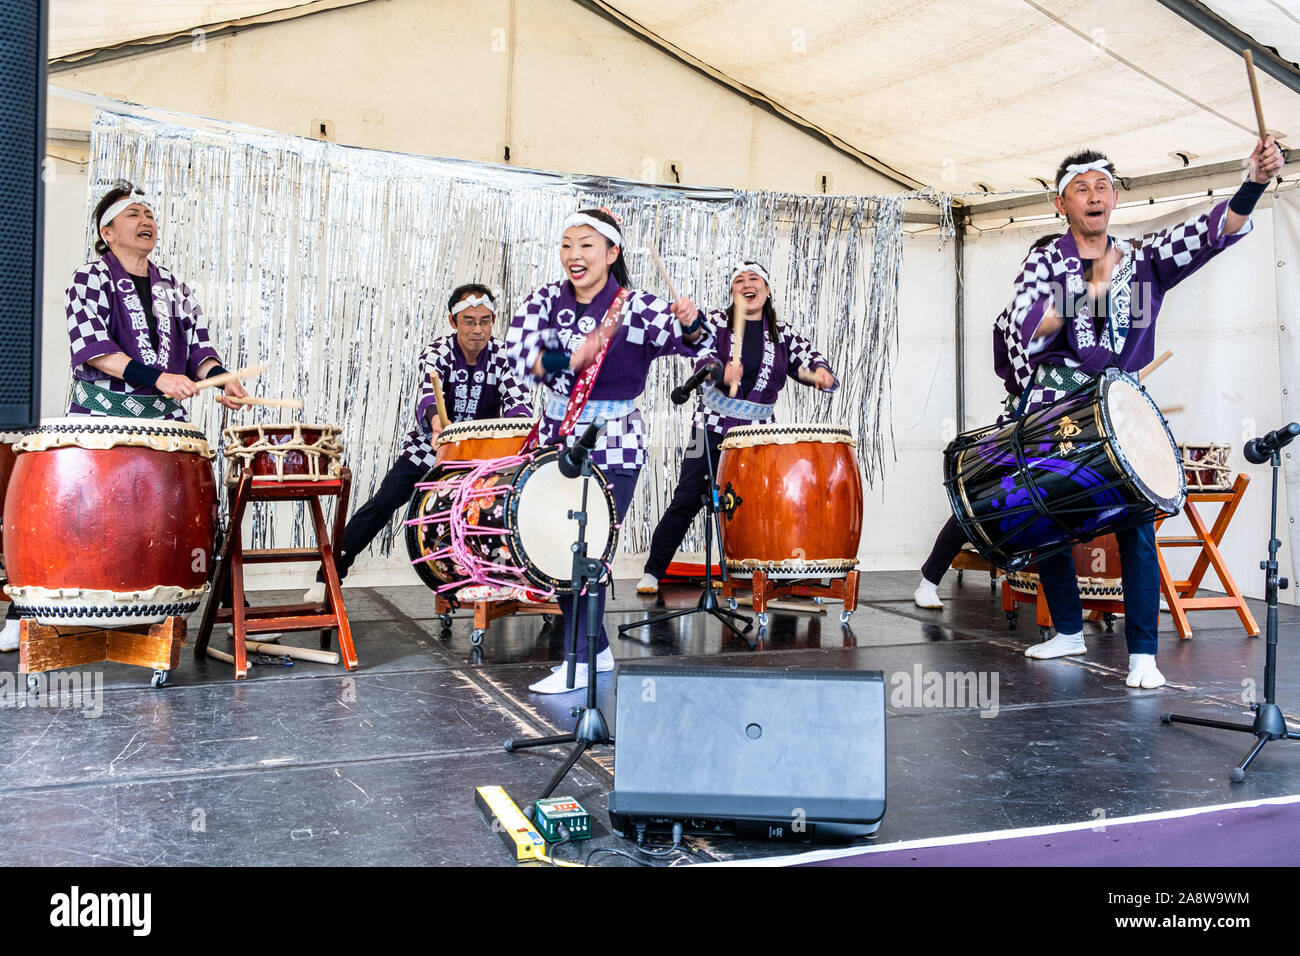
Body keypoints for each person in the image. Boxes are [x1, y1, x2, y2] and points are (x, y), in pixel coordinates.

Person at [1006, 138, 1283, 689]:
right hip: (1058, 405)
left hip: (1121, 406)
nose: (1094, 196)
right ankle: (1066, 630)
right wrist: (1084, 290)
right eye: (1080, 188)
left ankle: (1142, 655)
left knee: (1136, 522)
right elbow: (1026, 326)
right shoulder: (1045, 259)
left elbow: (1211, 232)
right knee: (1047, 517)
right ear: (1061, 205)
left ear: (1114, 199)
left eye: (1103, 187)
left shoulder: (1143, 257)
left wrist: (1253, 181)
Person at [1, 182, 247, 652]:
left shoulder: (175, 287)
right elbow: (94, 350)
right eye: (133, 213)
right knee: (74, 519)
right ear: (107, 231)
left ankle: (198, 611)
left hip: (165, 423)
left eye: (150, 213)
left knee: (173, 519)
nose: (146, 220)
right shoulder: (88, 278)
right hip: (100, 415)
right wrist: (156, 377)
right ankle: (26, 611)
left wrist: (221, 377)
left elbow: (199, 349)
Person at [505, 207, 708, 693]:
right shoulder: (547, 301)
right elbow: (518, 353)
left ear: (612, 253)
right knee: (556, 548)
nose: (574, 256)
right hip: (558, 435)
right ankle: (594, 653)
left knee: (588, 549)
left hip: (614, 440)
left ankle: (577, 664)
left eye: (586, 245)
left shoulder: (634, 306)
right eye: (567, 245)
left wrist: (691, 323)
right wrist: (566, 357)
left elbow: (695, 346)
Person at [300, 284, 534, 604]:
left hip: (483, 456)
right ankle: (327, 577)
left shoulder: (505, 356)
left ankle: (516, 580)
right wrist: (438, 423)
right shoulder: (437, 352)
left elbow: (518, 403)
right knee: (383, 503)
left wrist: (518, 430)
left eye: (485, 321)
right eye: (469, 321)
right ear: (453, 322)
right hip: (430, 448)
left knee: (509, 510)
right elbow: (428, 397)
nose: (477, 329)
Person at [636, 261, 837, 595]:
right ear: (733, 291)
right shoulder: (717, 322)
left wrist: (821, 374)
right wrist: (717, 372)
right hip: (710, 428)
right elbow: (699, 352)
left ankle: (774, 574)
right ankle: (653, 572)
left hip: (759, 435)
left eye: (754, 279)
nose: (747, 284)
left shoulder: (782, 334)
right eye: (739, 280)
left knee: (765, 506)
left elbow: (808, 363)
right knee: (686, 500)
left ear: (767, 290)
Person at [913, 233, 1060, 610]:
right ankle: (929, 579)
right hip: (1027, 425)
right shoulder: (1021, 313)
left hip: (1065, 425)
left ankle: (1106, 597)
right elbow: (1014, 372)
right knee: (977, 504)